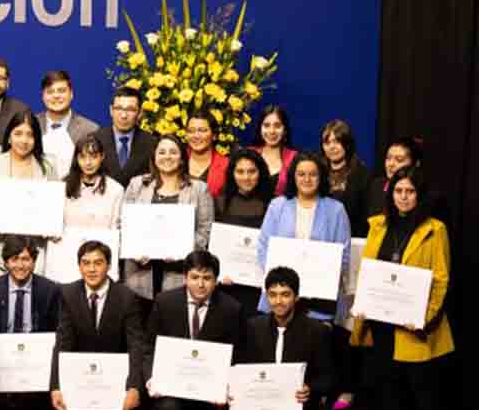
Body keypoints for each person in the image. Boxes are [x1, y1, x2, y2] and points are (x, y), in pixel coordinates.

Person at [352, 168, 455, 410]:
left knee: (422, 388)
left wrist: (426, 318)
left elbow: (441, 278)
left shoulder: (435, 229)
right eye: (398, 191)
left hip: (416, 323)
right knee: (388, 383)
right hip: (382, 320)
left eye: (410, 191)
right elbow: (366, 272)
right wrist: (363, 304)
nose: (404, 197)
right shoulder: (378, 225)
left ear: (419, 195)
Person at [221, 266, 334, 410]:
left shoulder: (316, 331)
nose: (278, 301)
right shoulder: (253, 327)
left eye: (285, 295)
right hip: (256, 408)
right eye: (272, 295)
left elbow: (328, 378)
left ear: (296, 297)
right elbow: (239, 367)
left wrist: (310, 388)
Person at [143, 249, 243, 410]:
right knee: (168, 409)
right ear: (185, 277)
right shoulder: (165, 302)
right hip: (170, 387)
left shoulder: (231, 309)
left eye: (207, 278)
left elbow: (236, 354)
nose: (201, 284)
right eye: (195, 277)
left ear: (216, 280)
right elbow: (148, 347)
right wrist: (151, 378)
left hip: (206, 392)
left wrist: (227, 385)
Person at [48, 240, 146, 410]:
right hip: (80, 381)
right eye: (86, 263)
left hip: (113, 383)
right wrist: (56, 387)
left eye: (98, 263)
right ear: (79, 266)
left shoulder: (126, 297)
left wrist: (134, 387)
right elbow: (62, 343)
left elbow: (136, 345)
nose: (91, 269)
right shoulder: (67, 293)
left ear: (109, 265)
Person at [122, 135, 214, 316]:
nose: (167, 156)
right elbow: (124, 224)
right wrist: (135, 249)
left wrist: (183, 250)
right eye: (162, 152)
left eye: (173, 152)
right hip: (140, 272)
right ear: (154, 157)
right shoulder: (137, 185)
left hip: (179, 275)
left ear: (182, 158)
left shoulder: (198, 189)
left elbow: (205, 231)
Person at [256, 151, 350, 325]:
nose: (307, 179)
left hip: (319, 302)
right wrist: (281, 285)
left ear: (321, 177)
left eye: (313, 174)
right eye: (301, 174)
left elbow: (343, 256)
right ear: (293, 177)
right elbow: (263, 249)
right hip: (280, 298)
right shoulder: (278, 206)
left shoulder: (336, 210)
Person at [0, 236, 61, 410]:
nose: (20, 265)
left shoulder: (50, 290)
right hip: (1, 357)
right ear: (6, 262)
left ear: (34, 261)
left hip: (36, 359)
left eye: (25, 259)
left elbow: (55, 331)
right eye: (14, 259)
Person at [0, 110, 61, 276]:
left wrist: (51, 224)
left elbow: (55, 206)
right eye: (18, 133)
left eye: (30, 135)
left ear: (36, 139)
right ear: (9, 137)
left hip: (36, 253)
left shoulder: (48, 165)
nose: (24, 140)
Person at [213, 150, 274, 319]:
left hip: (259, 287)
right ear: (232, 174)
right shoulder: (220, 203)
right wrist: (219, 272)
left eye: (252, 171)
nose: (246, 177)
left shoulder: (273, 204)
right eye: (240, 171)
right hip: (227, 286)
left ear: (260, 172)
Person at [33, 69, 99, 179]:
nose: (56, 96)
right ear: (43, 96)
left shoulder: (90, 130)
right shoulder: (31, 125)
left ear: (71, 94)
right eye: (50, 92)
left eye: (61, 91)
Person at [320, 119, 372, 236]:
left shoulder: (362, 174)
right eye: (327, 143)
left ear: (347, 144)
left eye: (337, 141)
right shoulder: (318, 171)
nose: (332, 147)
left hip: (352, 237)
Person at [63, 132, 124, 231]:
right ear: (76, 158)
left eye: (93, 157)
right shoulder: (63, 187)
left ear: (102, 156)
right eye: (82, 157)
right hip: (68, 244)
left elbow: (115, 230)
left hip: (101, 244)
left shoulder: (116, 190)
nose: (88, 162)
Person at [98, 87, 157, 185]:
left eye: (130, 110)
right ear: (111, 110)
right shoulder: (96, 139)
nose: (124, 115)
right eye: (119, 108)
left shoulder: (151, 143)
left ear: (140, 113)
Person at [251, 105, 298, 196]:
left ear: (285, 130)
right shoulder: (249, 155)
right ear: (260, 129)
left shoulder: (295, 158)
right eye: (266, 125)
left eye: (277, 126)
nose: (272, 131)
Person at [183, 110, 229, 194]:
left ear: (214, 135)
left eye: (202, 130)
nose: (196, 136)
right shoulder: (177, 159)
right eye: (191, 131)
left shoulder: (226, 165)